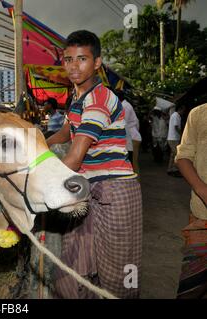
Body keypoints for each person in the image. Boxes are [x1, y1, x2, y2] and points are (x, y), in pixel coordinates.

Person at [46, 30, 142, 298]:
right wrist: (37, 145)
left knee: (117, 276)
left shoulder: (100, 98)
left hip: (114, 192)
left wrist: (40, 181)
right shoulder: (77, 99)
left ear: (97, 63)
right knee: (75, 267)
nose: (73, 66)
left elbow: (75, 156)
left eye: (82, 59)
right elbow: (65, 133)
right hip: (88, 189)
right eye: (68, 59)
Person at [174, 103, 207, 298]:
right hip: (202, 218)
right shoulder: (198, 114)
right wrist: (202, 189)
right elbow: (183, 157)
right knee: (191, 286)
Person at [117, 91, 142, 175]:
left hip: (133, 137)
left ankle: (136, 183)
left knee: (134, 163)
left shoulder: (125, 106)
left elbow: (123, 123)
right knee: (133, 163)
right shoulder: (125, 105)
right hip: (133, 136)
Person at [167, 105, 186, 177]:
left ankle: (170, 169)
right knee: (177, 155)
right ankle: (174, 169)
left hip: (173, 138)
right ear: (180, 109)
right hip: (173, 138)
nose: (184, 112)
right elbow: (176, 127)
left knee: (173, 155)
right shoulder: (176, 115)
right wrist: (182, 135)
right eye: (183, 110)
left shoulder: (175, 115)